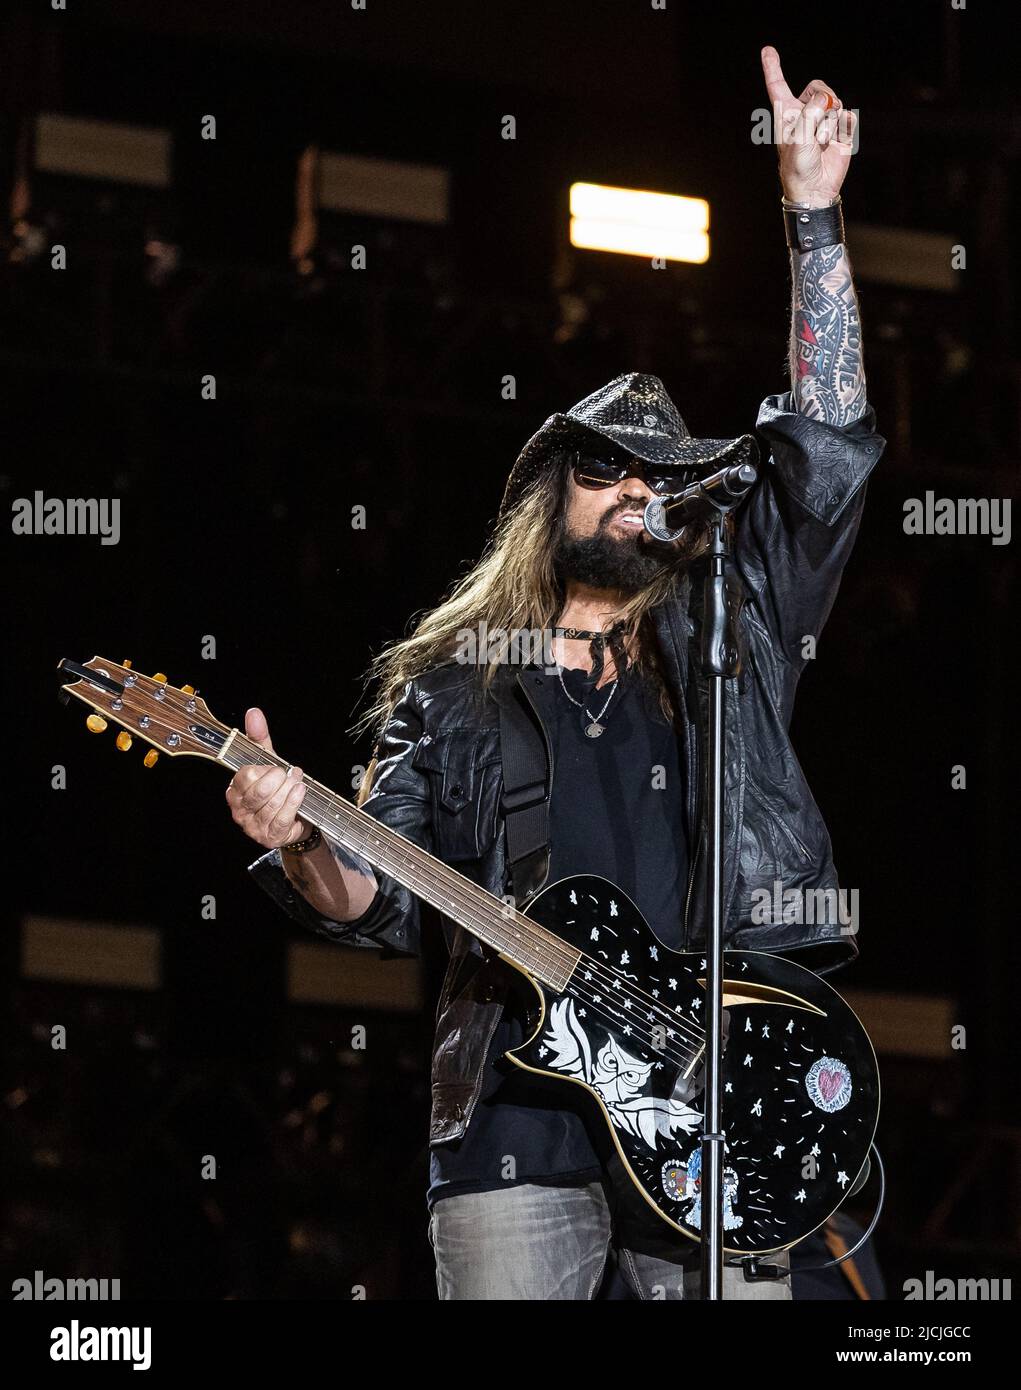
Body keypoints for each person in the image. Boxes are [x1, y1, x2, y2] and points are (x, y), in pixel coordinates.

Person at [228, 46, 886, 1299]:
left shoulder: (726, 630)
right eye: (603, 465)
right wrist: (296, 833)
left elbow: (831, 450)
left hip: (713, 1103)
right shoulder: (455, 681)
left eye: (657, 469)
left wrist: (811, 217)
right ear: (547, 499)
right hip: (510, 1140)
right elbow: (382, 897)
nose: (638, 485)